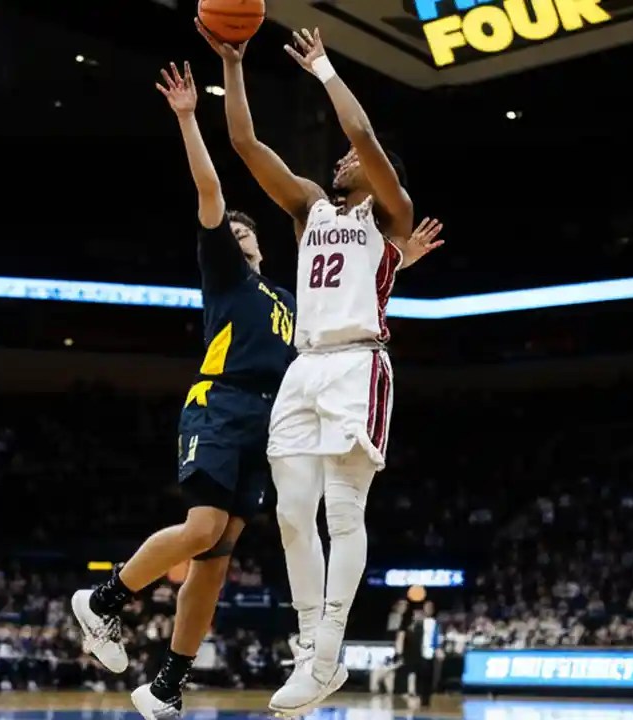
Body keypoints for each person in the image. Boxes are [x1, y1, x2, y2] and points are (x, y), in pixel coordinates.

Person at [199, 21, 445, 716]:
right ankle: (312, 650)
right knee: (290, 515)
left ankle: (330, 646)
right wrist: (234, 65)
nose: (340, 161)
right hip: (304, 368)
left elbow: (362, 134)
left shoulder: (392, 214)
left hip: (357, 364)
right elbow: (246, 144)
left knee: (343, 510)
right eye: (337, 158)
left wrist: (325, 70)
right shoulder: (309, 207)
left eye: (349, 160)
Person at [71, 61, 297, 720]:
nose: (238, 231)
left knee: (216, 560)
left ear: (262, 246)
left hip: (266, 424)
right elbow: (210, 188)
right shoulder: (226, 273)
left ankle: (166, 686)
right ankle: (103, 600)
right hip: (220, 404)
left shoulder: (287, 300)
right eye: (233, 228)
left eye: (247, 230)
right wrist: (189, 117)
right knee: (202, 527)